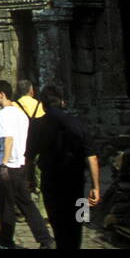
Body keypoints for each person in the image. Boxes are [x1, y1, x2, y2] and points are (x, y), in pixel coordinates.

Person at [30, 84, 102, 249]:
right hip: (77, 184)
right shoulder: (78, 123)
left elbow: (29, 158)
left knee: (57, 223)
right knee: (78, 222)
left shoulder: (37, 125)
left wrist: (30, 180)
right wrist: (96, 187)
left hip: (50, 183)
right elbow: (92, 158)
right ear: (62, 102)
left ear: (42, 104)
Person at [0, 80, 54, 248]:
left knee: (6, 205)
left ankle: (6, 241)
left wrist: (4, 165)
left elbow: (9, 139)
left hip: (9, 165)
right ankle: (45, 239)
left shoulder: (4, 114)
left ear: (1, 94)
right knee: (25, 203)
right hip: (20, 164)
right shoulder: (20, 114)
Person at [15, 79, 46, 194]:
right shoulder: (40, 105)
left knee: (25, 166)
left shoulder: (14, 106)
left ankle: (27, 185)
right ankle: (37, 187)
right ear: (31, 91)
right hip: (38, 140)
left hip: (22, 141)